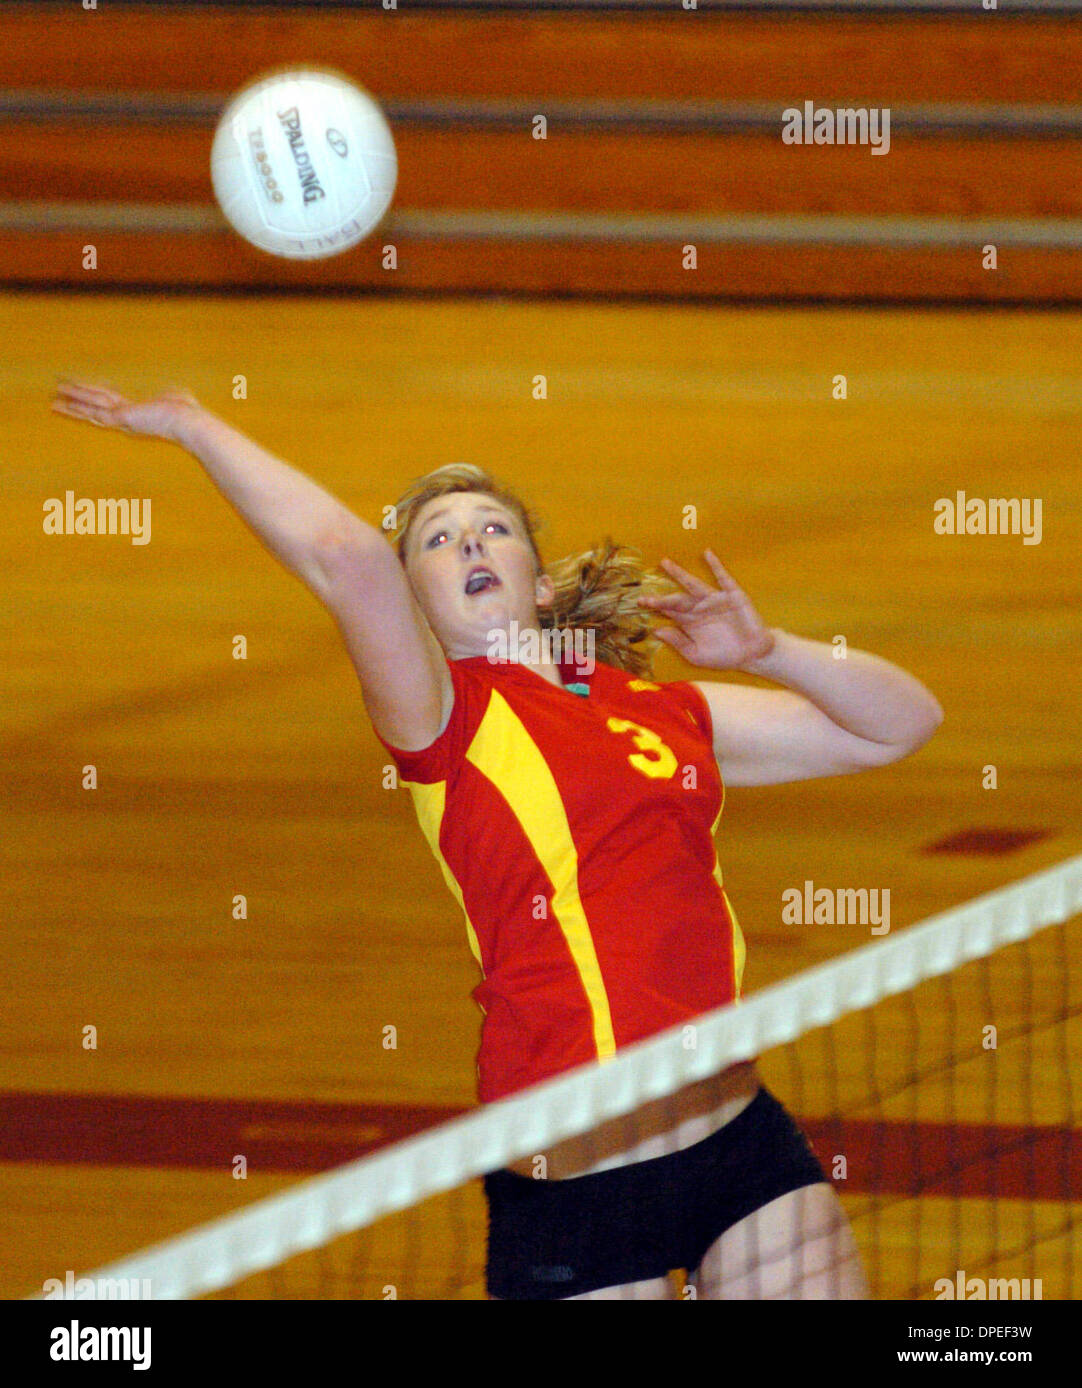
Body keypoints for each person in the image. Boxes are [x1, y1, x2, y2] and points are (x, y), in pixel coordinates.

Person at [51, 378, 943, 1300]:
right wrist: (194, 425)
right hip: (577, 1180)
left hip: (739, 1149)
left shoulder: (663, 712)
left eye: (492, 528)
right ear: (416, 609)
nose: (469, 541)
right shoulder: (446, 723)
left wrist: (772, 652)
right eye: (437, 542)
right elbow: (345, 557)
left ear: (541, 580)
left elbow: (897, 726)